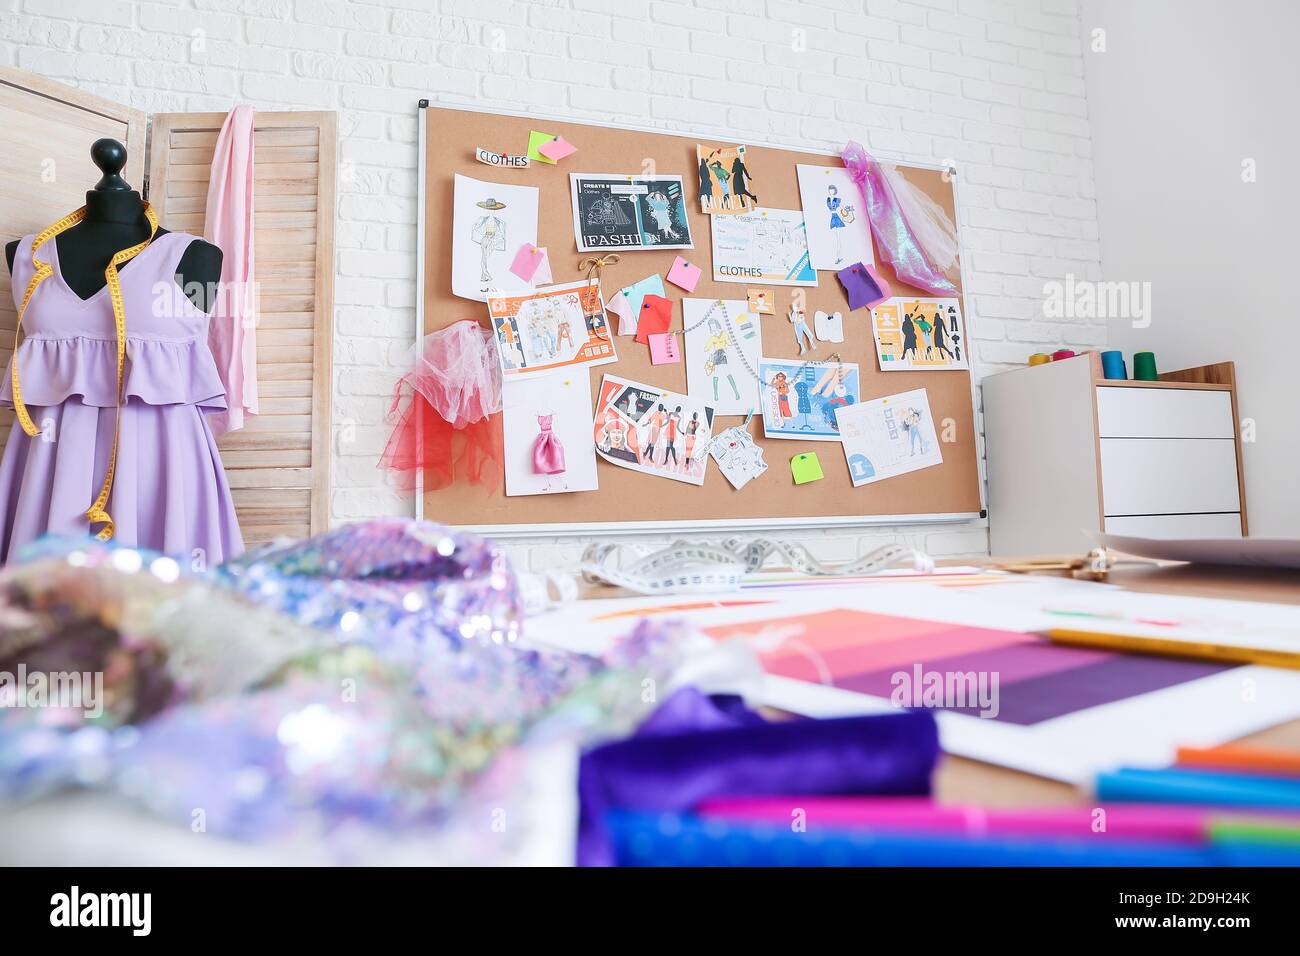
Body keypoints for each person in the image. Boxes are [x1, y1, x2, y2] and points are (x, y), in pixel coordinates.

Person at [703, 317, 741, 403]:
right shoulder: (712, 338)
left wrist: (726, 346)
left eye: (714, 326)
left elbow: (729, 343)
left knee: (727, 372)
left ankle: (736, 392)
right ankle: (715, 394)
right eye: (711, 327)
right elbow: (706, 348)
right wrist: (711, 347)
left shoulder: (724, 333)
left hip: (722, 354)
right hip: (716, 355)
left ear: (717, 325)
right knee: (716, 374)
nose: (713, 328)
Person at [826, 185, 846, 264]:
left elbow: (842, 208)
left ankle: (839, 257)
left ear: (835, 191)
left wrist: (844, 213)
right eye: (829, 190)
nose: (831, 191)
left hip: (836, 218)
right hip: (831, 218)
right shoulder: (828, 199)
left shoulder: (837, 199)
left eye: (832, 190)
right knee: (834, 239)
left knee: (838, 239)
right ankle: (838, 257)